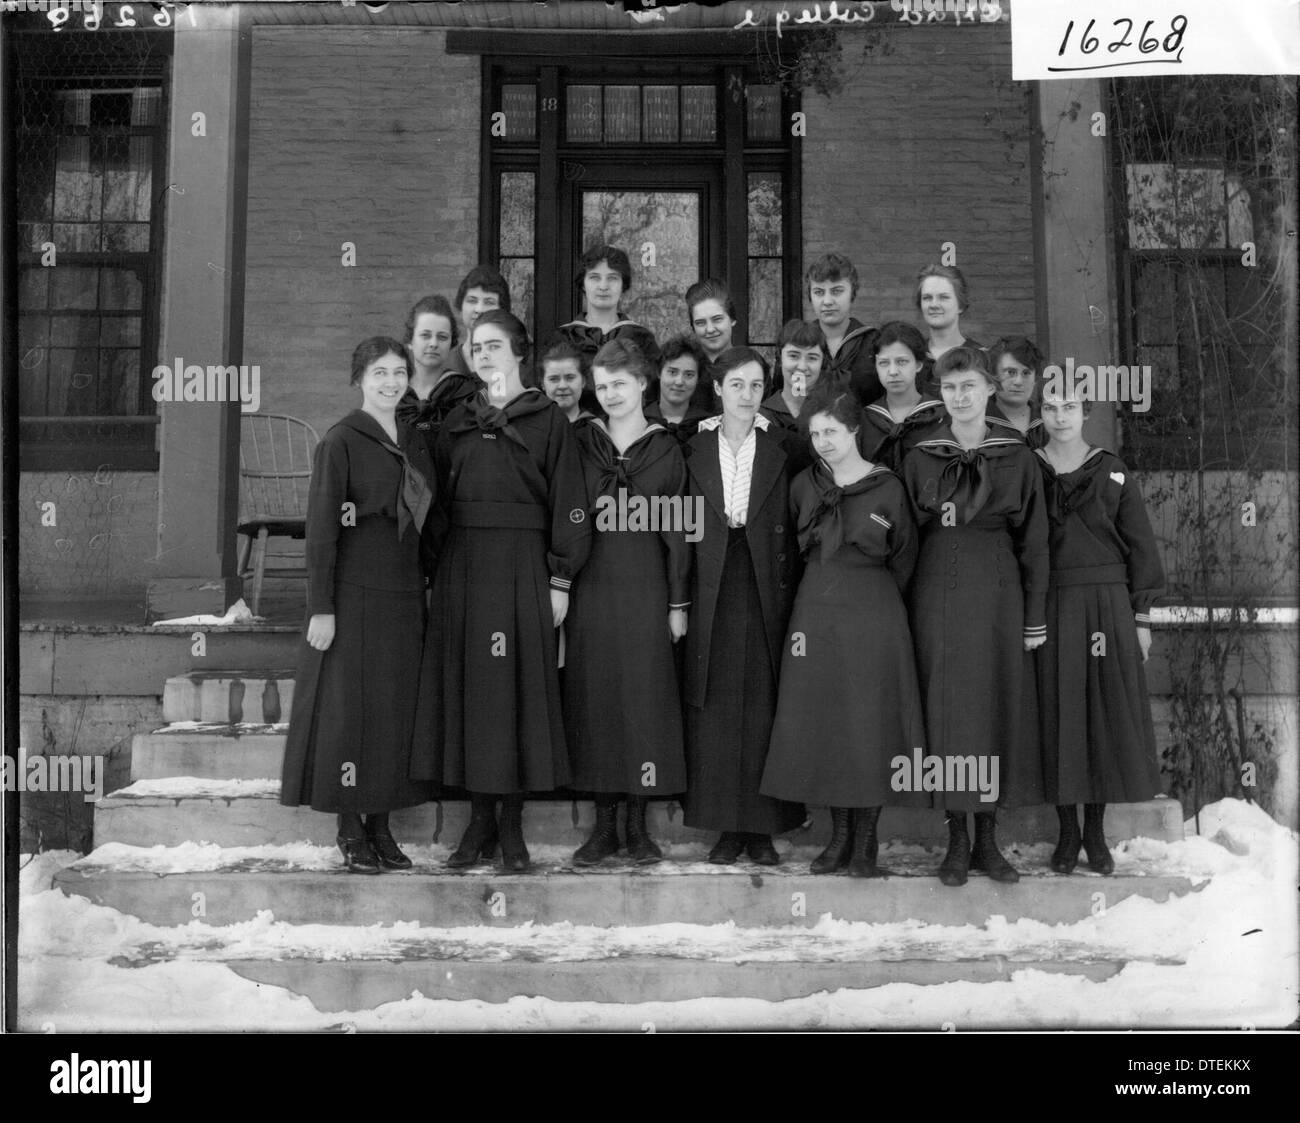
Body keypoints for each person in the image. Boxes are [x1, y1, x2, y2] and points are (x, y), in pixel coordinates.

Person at [411, 310, 591, 873]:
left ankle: (510, 827)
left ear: (519, 353)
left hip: (524, 568)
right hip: (464, 567)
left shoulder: (547, 420)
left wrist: (560, 578)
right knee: (473, 697)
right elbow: (434, 502)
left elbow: (569, 503)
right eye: (474, 346)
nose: (482, 354)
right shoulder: (457, 419)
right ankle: (477, 823)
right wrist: (432, 571)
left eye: (494, 346)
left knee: (514, 697)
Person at [281, 337, 435, 873]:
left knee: (394, 712)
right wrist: (321, 606)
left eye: (399, 373)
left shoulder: (415, 439)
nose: (391, 382)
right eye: (379, 373)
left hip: (403, 593)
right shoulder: (342, 440)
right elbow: (323, 528)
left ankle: (382, 827)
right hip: (352, 592)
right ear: (359, 379)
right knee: (351, 713)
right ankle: (350, 827)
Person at [761, 387, 927, 877]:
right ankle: (837, 838)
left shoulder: (888, 487)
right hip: (816, 612)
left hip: (874, 611)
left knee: (869, 722)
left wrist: (875, 603)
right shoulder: (803, 485)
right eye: (815, 433)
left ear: (855, 430)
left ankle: (867, 841)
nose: (822, 442)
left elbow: (905, 557)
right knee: (829, 721)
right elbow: (791, 552)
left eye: (831, 431)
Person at [901, 346, 1049, 887]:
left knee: (992, 706)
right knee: (947, 709)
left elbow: (1035, 540)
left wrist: (1034, 615)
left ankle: (988, 837)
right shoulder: (921, 454)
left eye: (969, 386)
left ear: (990, 390)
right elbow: (905, 538)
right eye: (950, 387)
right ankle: (955, 838)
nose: (959, 397)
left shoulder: (1016, 454)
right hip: (937, 586)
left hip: (998, 589)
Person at [565, 338, 691, 865]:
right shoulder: (581, 443)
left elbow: (681, 530)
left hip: (646, 587)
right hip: (593, 585)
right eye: (602, 386)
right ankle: (601, 827)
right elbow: (566, 516)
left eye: (620, 383)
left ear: (643, 383)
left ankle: (637, 825)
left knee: (644, 700)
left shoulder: (667, 449)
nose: (610, 393)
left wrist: (678, 602)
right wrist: (560, 583)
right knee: (597, 701)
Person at [1035, 384, 1165, 875]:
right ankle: (1067, 832)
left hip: (1106, 604)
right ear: (1040, 412)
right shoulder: (1030, 468)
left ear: (1085, 412)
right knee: (1058, 710)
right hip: (1050, 601)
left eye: (1069, 406)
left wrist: (1142, 617)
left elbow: (1141, 547)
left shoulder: (1112, 469)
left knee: (1101, 715)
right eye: (1050, 407)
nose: (1060, 415)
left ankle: (1096, 832)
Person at [683, 346, 804, 864]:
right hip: (712, 576)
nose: (747, 395)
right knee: (714, 701)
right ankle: (725, 827)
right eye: (737, 384)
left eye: (756, 385)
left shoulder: (786, 445)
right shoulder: (692, 445)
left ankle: (762, 827)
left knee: (762, 702)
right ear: (718, 388)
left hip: (765, 578)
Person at [550, 244, 660, 370]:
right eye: (594, 278)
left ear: (623, 285)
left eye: (612, 278)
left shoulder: (641, 338)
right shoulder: (564, 337)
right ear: (583, 284)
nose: (603, 286)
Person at [397, 294, 481, 458]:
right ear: (410, 340)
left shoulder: (464, 392)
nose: (434, 343)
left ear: (452, 342)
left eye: (442, 337)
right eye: (425, 335)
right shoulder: (391, 392)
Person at [858, 321, 945, 471]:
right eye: (884, 363)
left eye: (902, 361)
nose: (893, 371)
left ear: (918, 364)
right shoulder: (865, 420)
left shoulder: (941, 416)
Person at [805, 253, 882, 405]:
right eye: (819, 292)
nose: (827, 301)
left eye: (837, 291)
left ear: (852, 292)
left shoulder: (873, 343)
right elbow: (791, 395)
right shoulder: (799, 344)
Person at [760, 318, 829, 475]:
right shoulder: (762, 418)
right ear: (779, 357)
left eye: (812, 357)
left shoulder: (833, 413)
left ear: (822, 362)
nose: (802, 366)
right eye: (794, 356)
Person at [644, 334, 713, 447]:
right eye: (672, 372)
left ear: (698, 379)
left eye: (689, 375)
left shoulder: (709, 426)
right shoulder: (640, 421)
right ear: (659, 373)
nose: (679, 381)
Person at [445, 264, 512, 376]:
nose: (479, 309)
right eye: (472, 301)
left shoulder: (513, 366)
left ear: (502, 310)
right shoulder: (445, 365)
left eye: (489, 302)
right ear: (461, 306)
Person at [985, 336, 1047, 449]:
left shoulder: (1048, 421)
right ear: (993, 376)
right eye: (1010, 372)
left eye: (1026, 373)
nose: (1018, 381)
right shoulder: (979, 424)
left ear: (1035, 379)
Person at [915, 263, 982, 367]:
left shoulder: (979, 358)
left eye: (943, 297)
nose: (934, 305)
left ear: (961, 305)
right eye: (927, 298)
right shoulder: (913, 357)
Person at [685, 278, 739, 367]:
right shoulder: (684, 370)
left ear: (732, 319)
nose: (710, 329)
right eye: (700, 323)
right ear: (693, 327)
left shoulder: (753, 368)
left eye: (717, 319)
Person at [540, 339, 596, 424]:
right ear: (542, 384)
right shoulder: (529, 429)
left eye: (570, 378)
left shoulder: (597, 430)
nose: (562, 386)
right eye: (554, 379)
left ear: (583, 381)